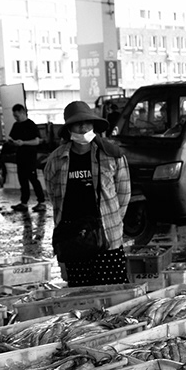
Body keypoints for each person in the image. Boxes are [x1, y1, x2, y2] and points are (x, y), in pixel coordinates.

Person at [43, 100, 131, 285]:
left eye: (87, 122)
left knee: (113, 294)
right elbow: (55, 199)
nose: (83, 127)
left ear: (94, 125)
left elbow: (124, 194)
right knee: (82, 296)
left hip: (108, 239)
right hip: (73, 239)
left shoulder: (111, 155)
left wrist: (112, 220)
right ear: (68, 128)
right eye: (77, 123)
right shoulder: (56, 160)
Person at [8, 103, 46, 211]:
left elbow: (37, 141)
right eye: (14, 116)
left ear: (23, 112)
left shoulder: (31, 125)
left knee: (33, 179)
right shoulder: (16, 125)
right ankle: (24, 202)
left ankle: (41, 201)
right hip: (20, 156)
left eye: (17, 115)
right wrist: (13, 143)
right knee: (22, 180)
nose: (16, 118)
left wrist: (23, 143)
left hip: (30, 157)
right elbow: (11, 138)